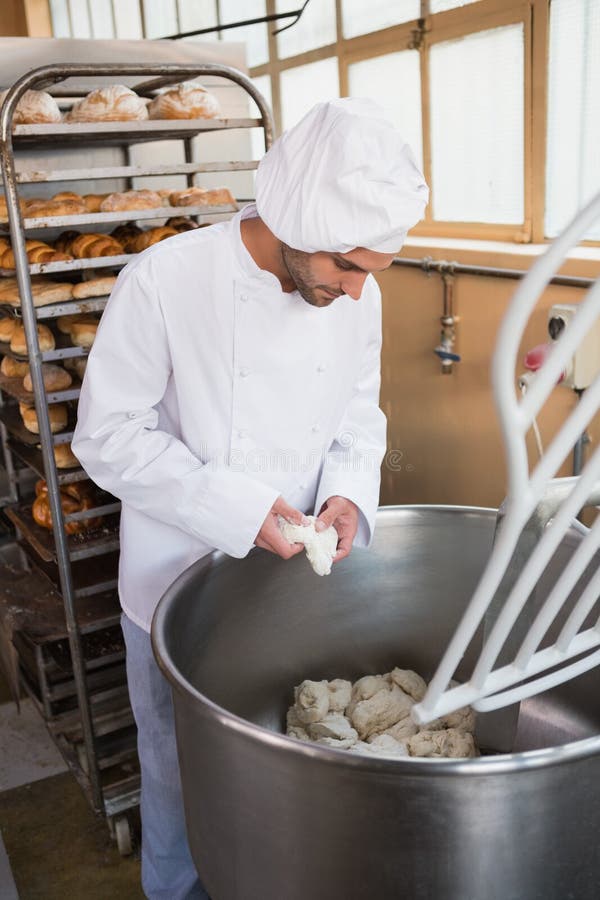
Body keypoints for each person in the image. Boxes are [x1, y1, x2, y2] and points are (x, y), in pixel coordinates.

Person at [72, 97, 428, 900]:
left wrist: (345, 495)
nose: (356, 289)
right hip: (176, 587)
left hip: (298, 582)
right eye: (346, 266)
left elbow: (358, 412)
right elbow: (107, 436)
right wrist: (239, 508)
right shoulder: (165, 280)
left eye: (371, 271)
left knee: (296, 775)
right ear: (297, 220)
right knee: (178, 774)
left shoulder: (355, 294)